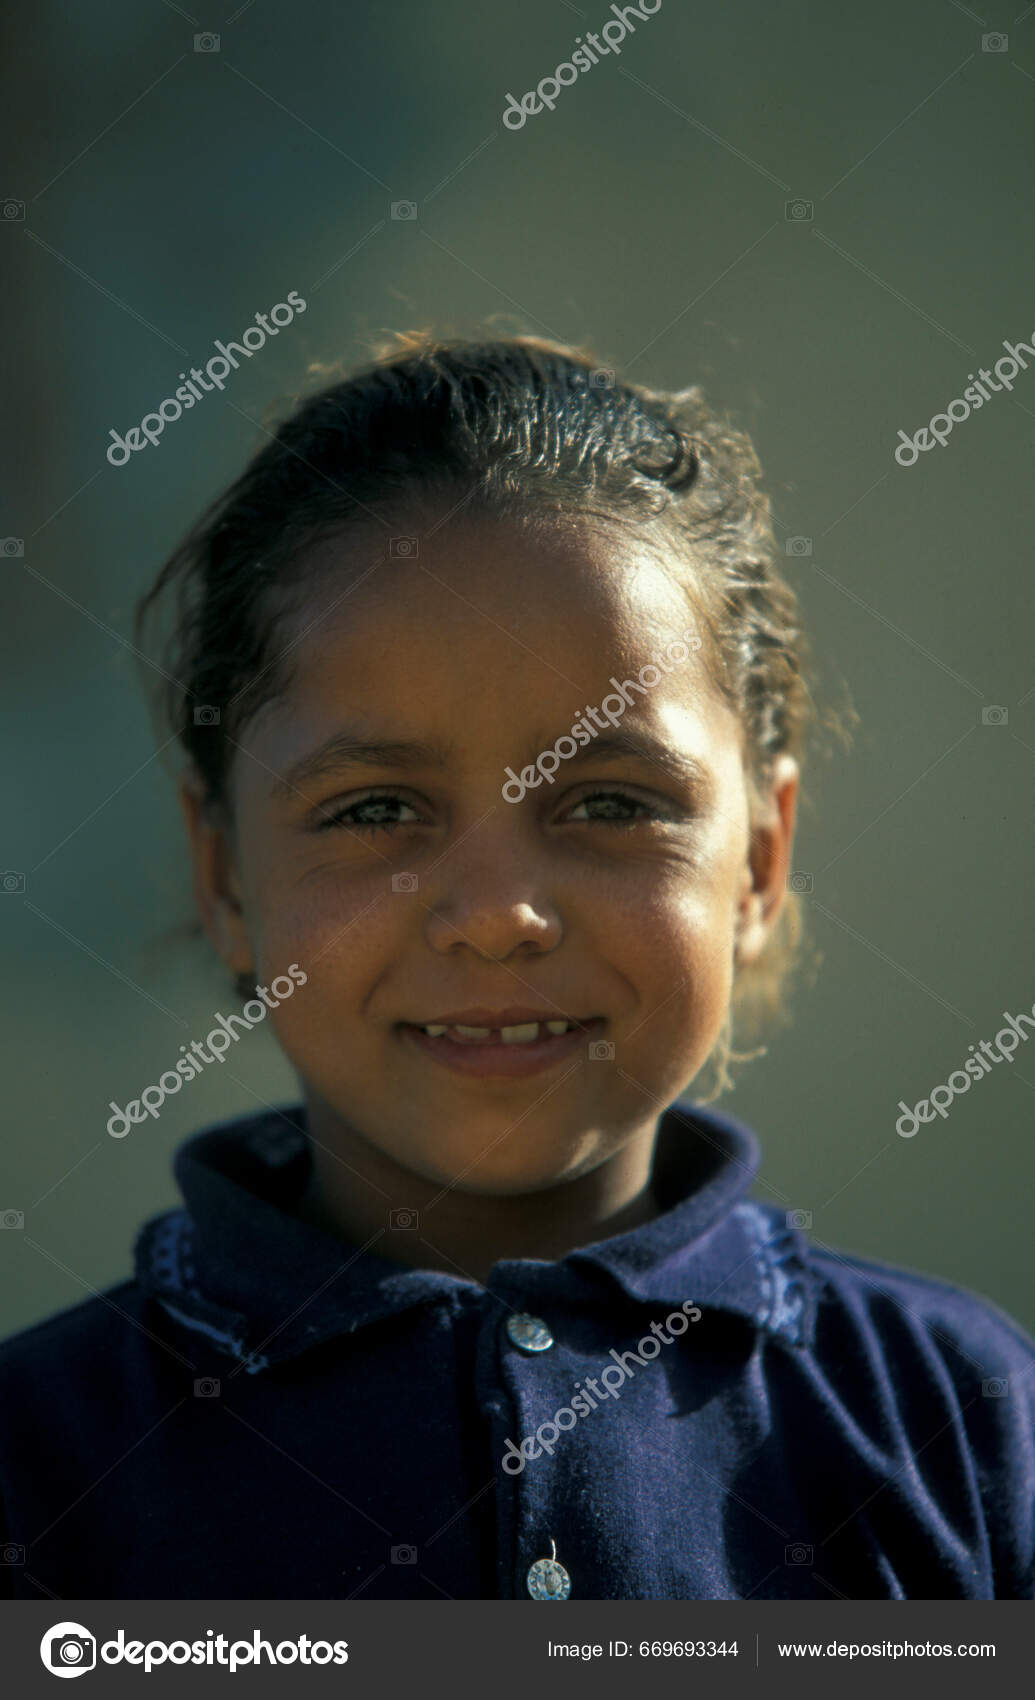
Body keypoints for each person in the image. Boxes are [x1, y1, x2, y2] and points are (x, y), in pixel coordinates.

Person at [1, 333, 1032, 1601]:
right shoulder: (43, 1468)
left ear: (761, 863)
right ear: (223, 878)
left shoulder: (963, 1424)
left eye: (611, 803)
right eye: (377, 810)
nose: (498, 917)